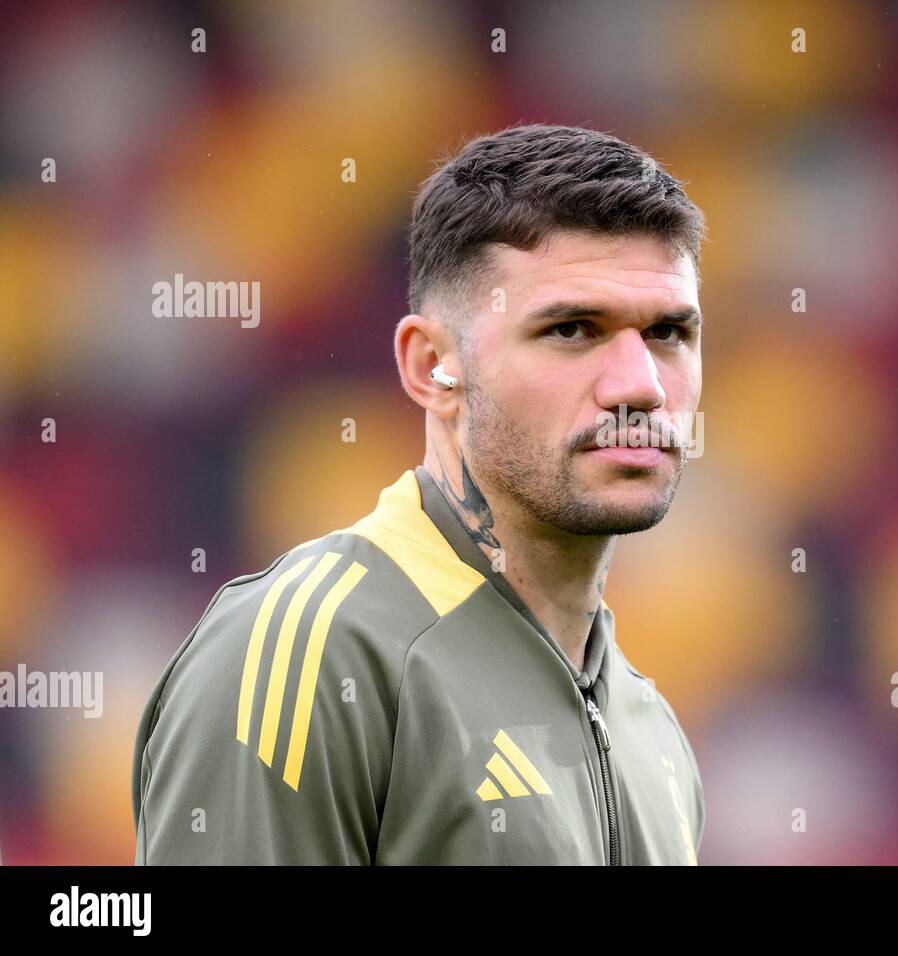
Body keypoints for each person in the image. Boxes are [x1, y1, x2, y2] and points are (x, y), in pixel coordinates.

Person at [131, 123, 707, 864]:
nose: (641, 384)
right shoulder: (313, 654)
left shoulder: (651, 727)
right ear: (432, 366)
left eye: (668, 332)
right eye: (571, 329)